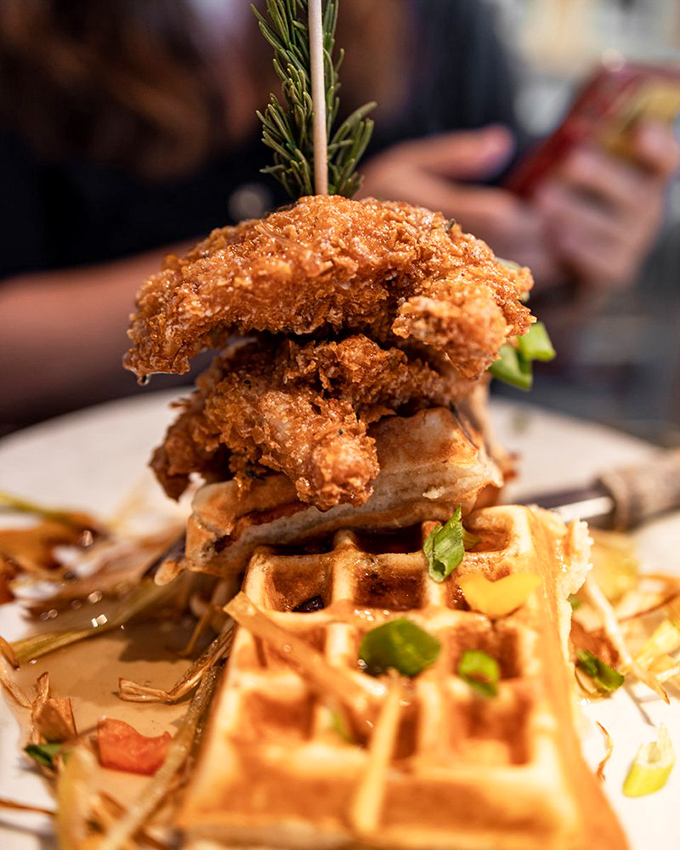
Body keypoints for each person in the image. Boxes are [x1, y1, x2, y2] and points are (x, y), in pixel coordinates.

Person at [0, 0, 677, 430]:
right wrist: (329, 246)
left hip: (449, 445)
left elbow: (512, 305)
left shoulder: (441, 18)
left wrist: (570, 250)